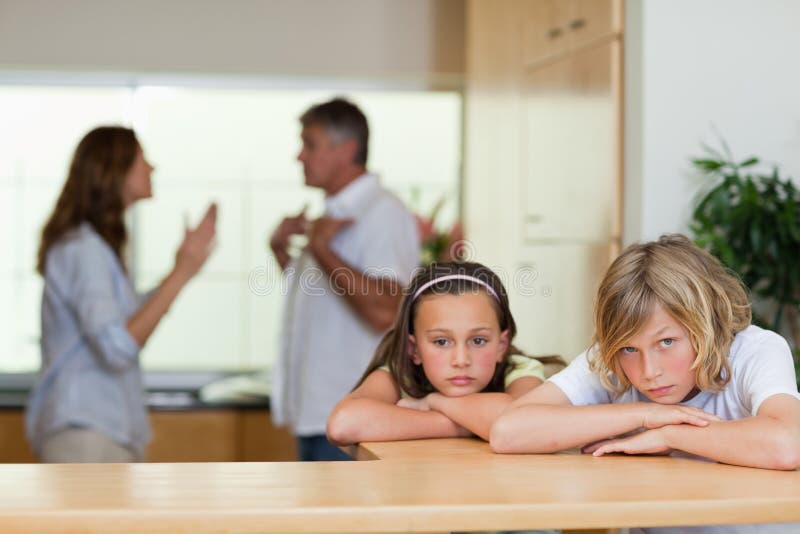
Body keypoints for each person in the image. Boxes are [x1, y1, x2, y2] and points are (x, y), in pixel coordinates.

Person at [491, 234, 800, 533]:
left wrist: (669, 436)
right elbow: (509, 432)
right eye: (630, 349)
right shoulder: (609, 359)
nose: (649, 371)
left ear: (705, 323)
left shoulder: (755, 351)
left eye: (666, 342)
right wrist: (644, 415)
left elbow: (787, 445)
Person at [26, 126, 217, 463]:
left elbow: (120, 323)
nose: (152, 168)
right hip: (85, 432)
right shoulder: (84, 249)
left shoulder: (97, 246)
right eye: (142, 160)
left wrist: (180, 270)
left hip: (98, 429)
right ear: (113, 170)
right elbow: (117, 346)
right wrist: (181, 272)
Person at [269, 97, 420, 461]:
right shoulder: (335, 214)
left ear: (346, 150)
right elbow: (323, 303)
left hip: (351, 419)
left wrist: (322, 249)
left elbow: (386, 311)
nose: (299, 157)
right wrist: (281, 252)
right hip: (316, 413)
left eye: (310, 145)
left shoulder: (382, 213)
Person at [327, 261, 563, 445]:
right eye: (441, 342)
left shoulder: (520, 368)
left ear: (501, 346)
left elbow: (524, 422)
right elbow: (343, 425)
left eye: (478, 340)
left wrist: (433, 401)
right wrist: (469, 425)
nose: (461, 360)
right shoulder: (400, 374)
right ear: (414, 349)